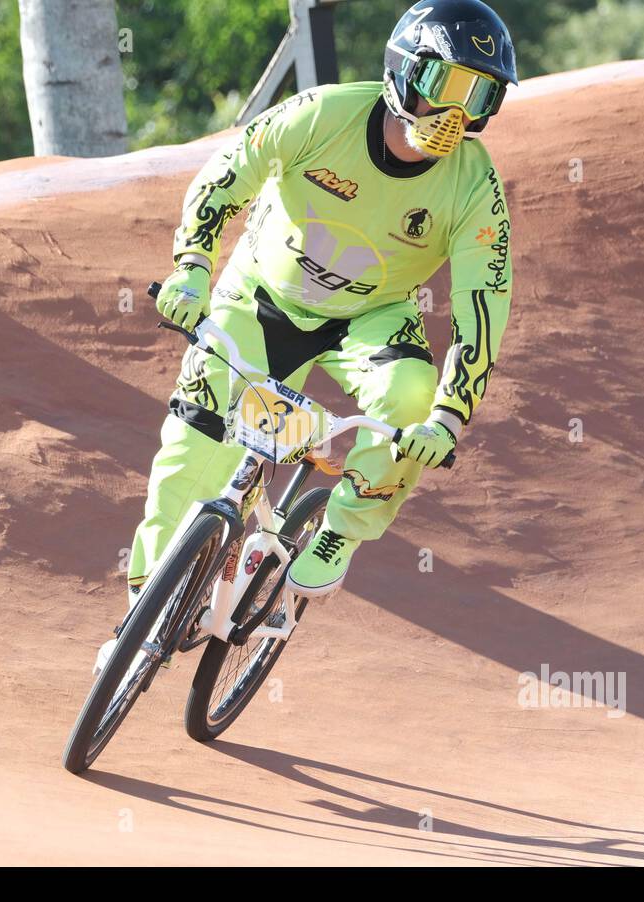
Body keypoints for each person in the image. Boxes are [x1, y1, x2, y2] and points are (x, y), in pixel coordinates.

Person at [130, 0, 517, 604]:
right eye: (447, 85)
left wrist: (449, 415)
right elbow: (228, 173)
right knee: (196, 430)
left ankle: (338, 532)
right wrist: (192, 268)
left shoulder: (474, 184)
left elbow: (483, 301)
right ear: (404, 72)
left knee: (411, 401)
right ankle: (144, 598)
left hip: (372, 318)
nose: (455, 113)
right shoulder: (323, 113)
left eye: (480, 98)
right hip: (261, 294)